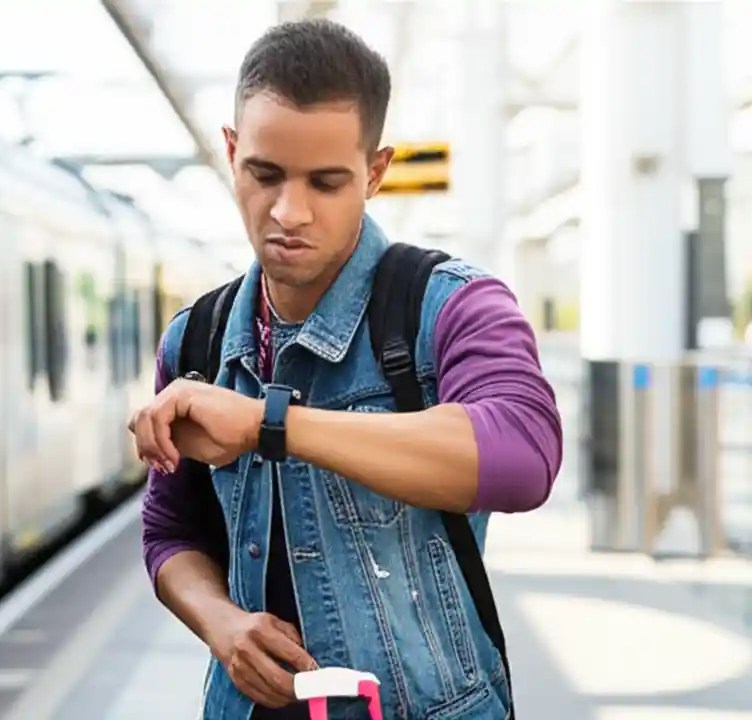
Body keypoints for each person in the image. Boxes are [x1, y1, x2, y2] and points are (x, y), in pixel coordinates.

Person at [130, 18, 562, 720]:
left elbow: (524, 455)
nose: (288, 211)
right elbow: (169, 532)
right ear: (232, 152)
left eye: (326, 183)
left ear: (376, 171)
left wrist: (272, 426)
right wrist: (220, 623)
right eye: (263, 175)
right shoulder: (198, 339)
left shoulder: (450, 305)